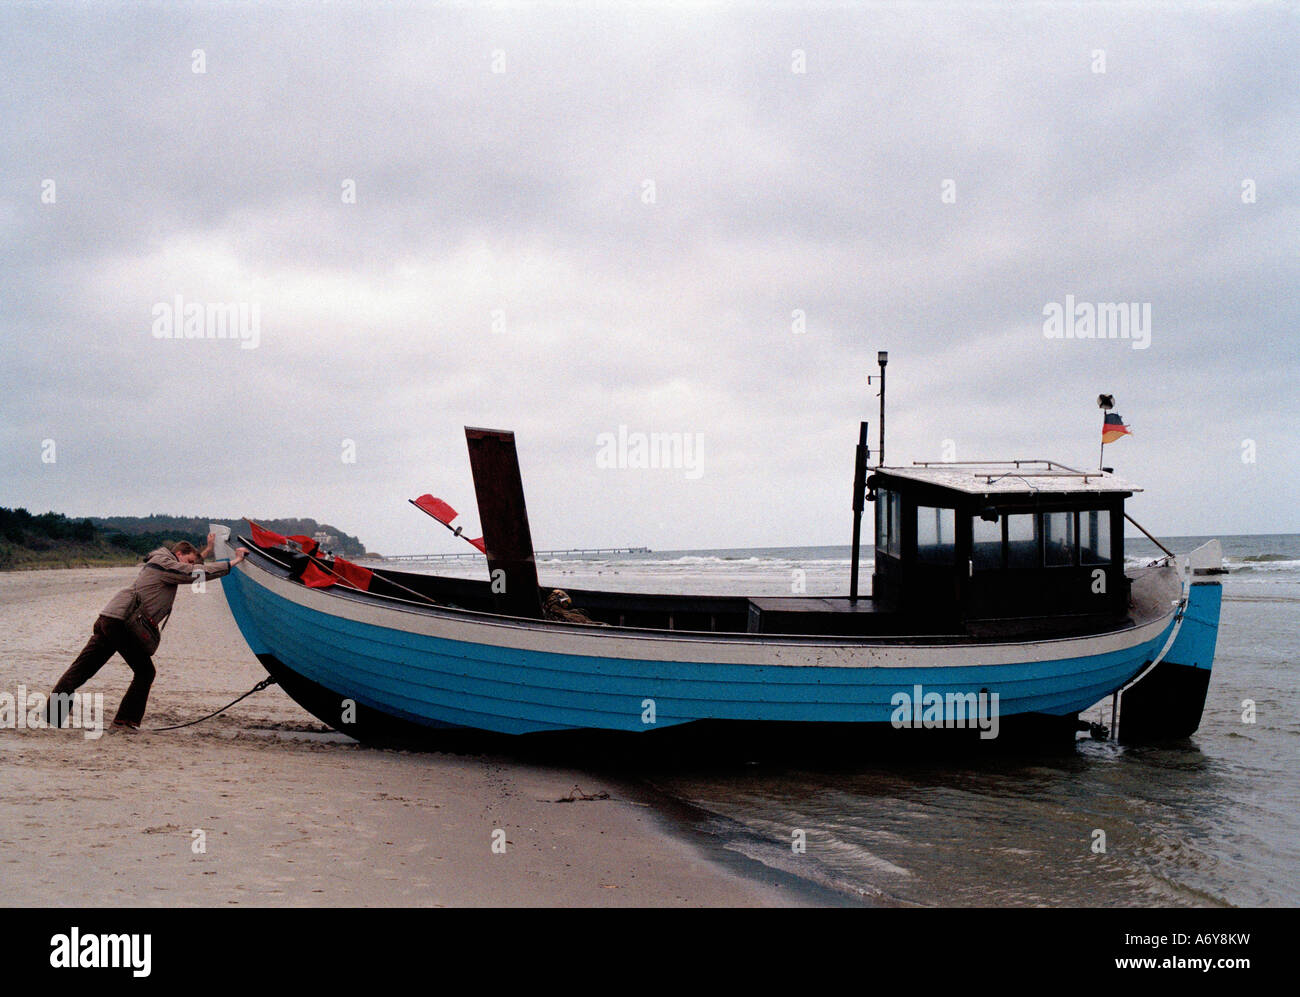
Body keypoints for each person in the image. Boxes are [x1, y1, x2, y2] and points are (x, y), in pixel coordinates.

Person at [47, 534, 249, 731]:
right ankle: (124, 722)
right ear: (178, 554)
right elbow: (192, 573)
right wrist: (236, 561)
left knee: (82, 669)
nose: (188, 564)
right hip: (121, 623)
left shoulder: (163, 561)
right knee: (145, 672)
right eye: (187, 560)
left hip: (110, 619)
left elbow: (192, 566)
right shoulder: (164, 563)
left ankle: (51, 716)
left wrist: (208, 549)